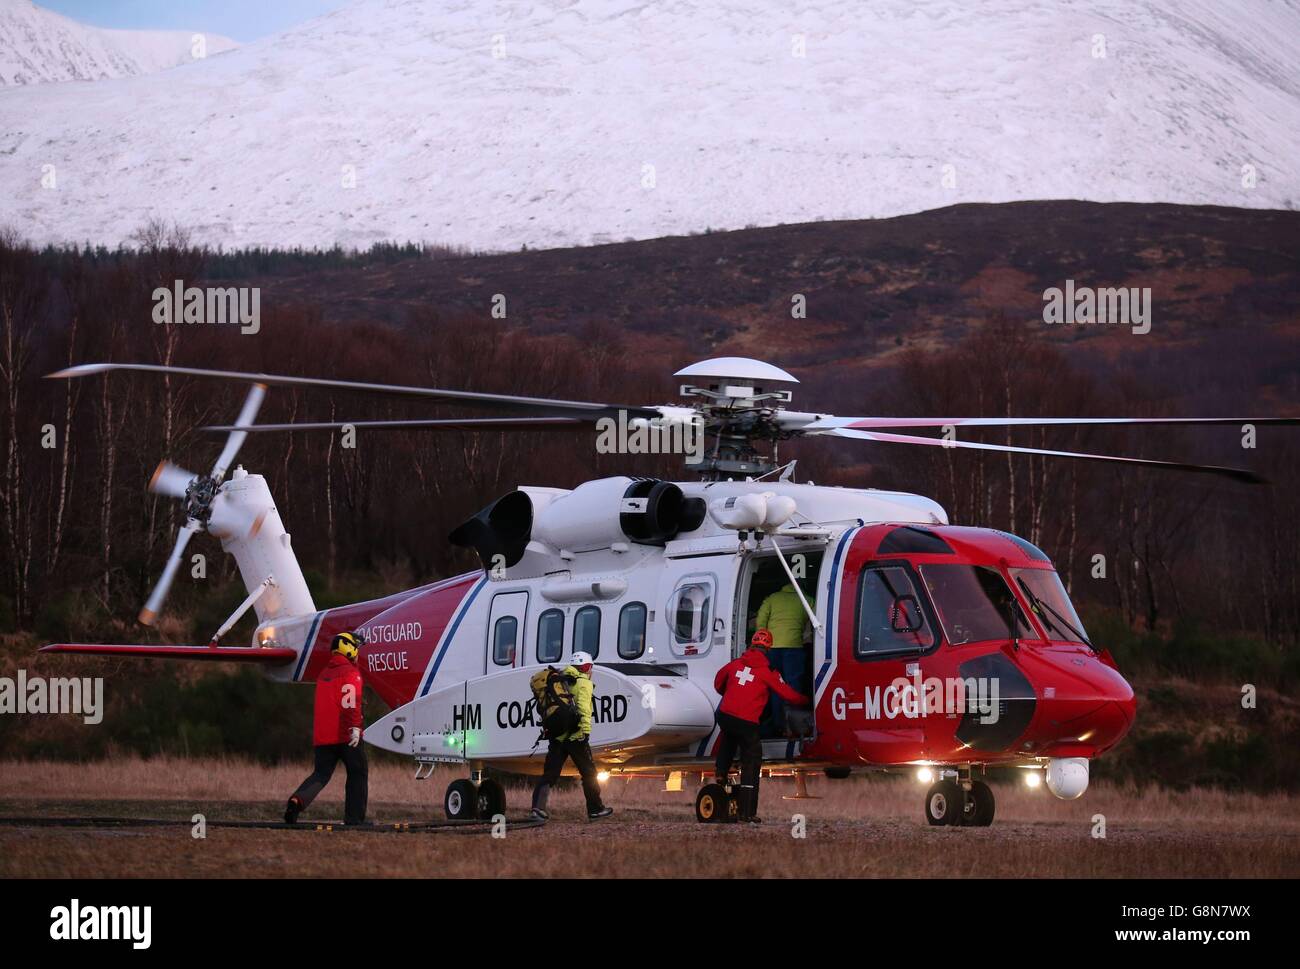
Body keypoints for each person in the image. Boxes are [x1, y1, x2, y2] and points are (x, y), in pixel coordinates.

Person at [713, 628, 811, 823]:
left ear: (751, 644)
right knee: (751, 763)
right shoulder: (767, 673)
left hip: (725, 715)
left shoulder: (734, 665)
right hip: (747, 722)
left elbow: (717, 682)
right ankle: (747, 813)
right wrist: (807, 700)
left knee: (729, 735)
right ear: (768, 649)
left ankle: (721, 773)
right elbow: (787, 694)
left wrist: (731, 693)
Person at [284, 631, 369, 826]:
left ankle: (296, 802)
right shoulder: (351, 672)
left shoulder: (324, 674)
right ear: (348, 648)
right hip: (346, 735)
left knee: (321, 774)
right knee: (358, 772)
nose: (357, 652)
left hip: (323, 737)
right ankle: (354, 819)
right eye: (355, 647)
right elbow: (351, 704)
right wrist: (355, 727)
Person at [530, 651, 613, 822]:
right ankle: (595, 809)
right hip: (576, 736)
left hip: (557, 735)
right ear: (587, 667)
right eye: (590, 667)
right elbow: (583, 710)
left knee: (550, 774)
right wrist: (584, 733)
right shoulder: (584, 683)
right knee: (589, 773)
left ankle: (537, 809)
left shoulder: (560, 679)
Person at [755, 580, 815, 733]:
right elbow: (818, 619)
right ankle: (794, 724)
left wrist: (763, 638)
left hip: (772, 649)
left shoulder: (772, 598)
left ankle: (779, 723)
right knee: (793, 685)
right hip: (794, 647)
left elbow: (761, 619)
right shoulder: (806, 599)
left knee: (776, 686)